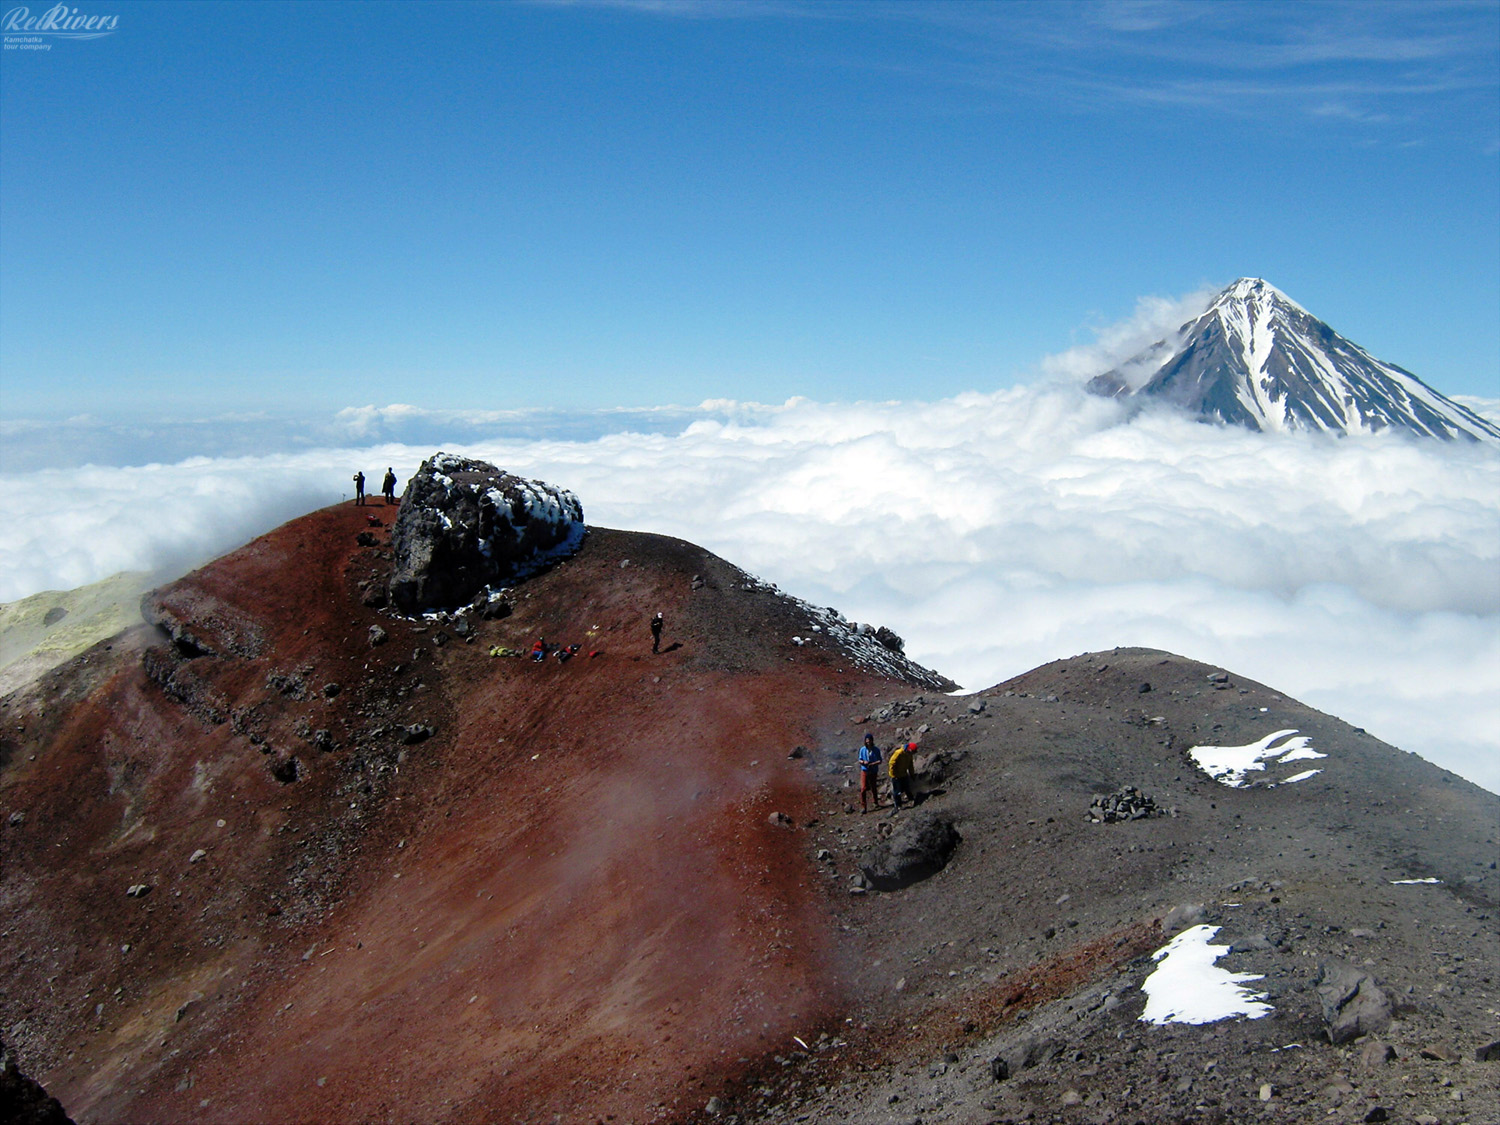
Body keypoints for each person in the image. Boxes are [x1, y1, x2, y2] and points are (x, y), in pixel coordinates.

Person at [857, 733, 883, 813]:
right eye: (867, 741)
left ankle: (875, 802)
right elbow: (859, 760)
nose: (868, 743)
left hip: (873, 771)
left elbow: (880, 760)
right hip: (865, 770)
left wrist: (873, 764)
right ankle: (863, 806)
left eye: (869, 741)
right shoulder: (862, 749)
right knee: (863, 788)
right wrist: (863, 762)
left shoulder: (876, 750)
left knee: (873, 787)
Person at [887, 740, 915, 812]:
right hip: (896, 776)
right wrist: (893, 774)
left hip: (904, 774)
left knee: (907, 788)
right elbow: (891, 763)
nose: (913, 753)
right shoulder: (899, 753)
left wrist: (912, 774)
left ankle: (911, 800)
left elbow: (910, 765)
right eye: (912, 751)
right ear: (909, 749)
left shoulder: (909, 754)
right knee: (897, 791)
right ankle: (898, 805)